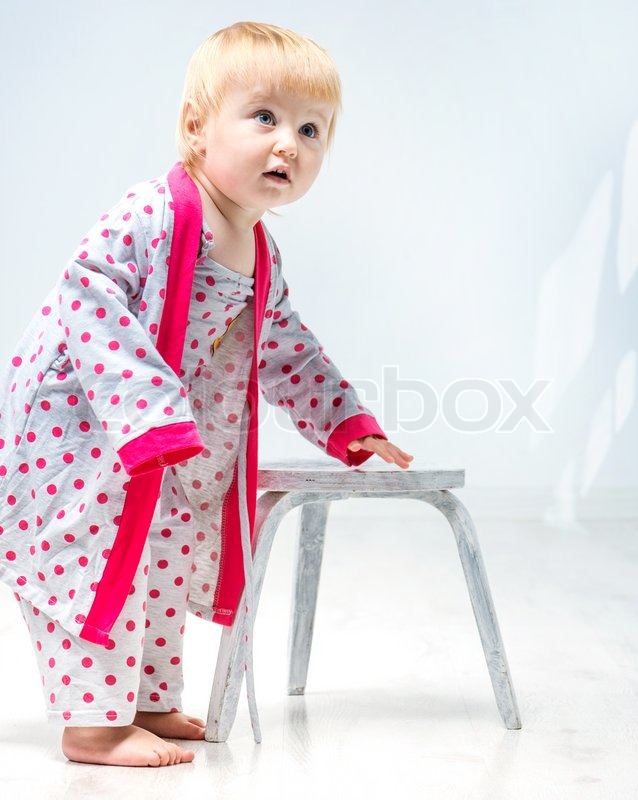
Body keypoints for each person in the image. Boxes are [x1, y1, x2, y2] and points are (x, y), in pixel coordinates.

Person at [0, 21, 413, 768]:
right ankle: (92, 724)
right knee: (101, 557)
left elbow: (286, 348)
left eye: (311, 129)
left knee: (166, 550)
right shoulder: (153, 213)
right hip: (84, 424)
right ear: (197, 128)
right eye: (265, 117)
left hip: (157, 440)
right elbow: (86, 293)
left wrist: (349, 424)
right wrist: (148, 411)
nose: (289, 143)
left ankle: (148, 701)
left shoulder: (259, 251)